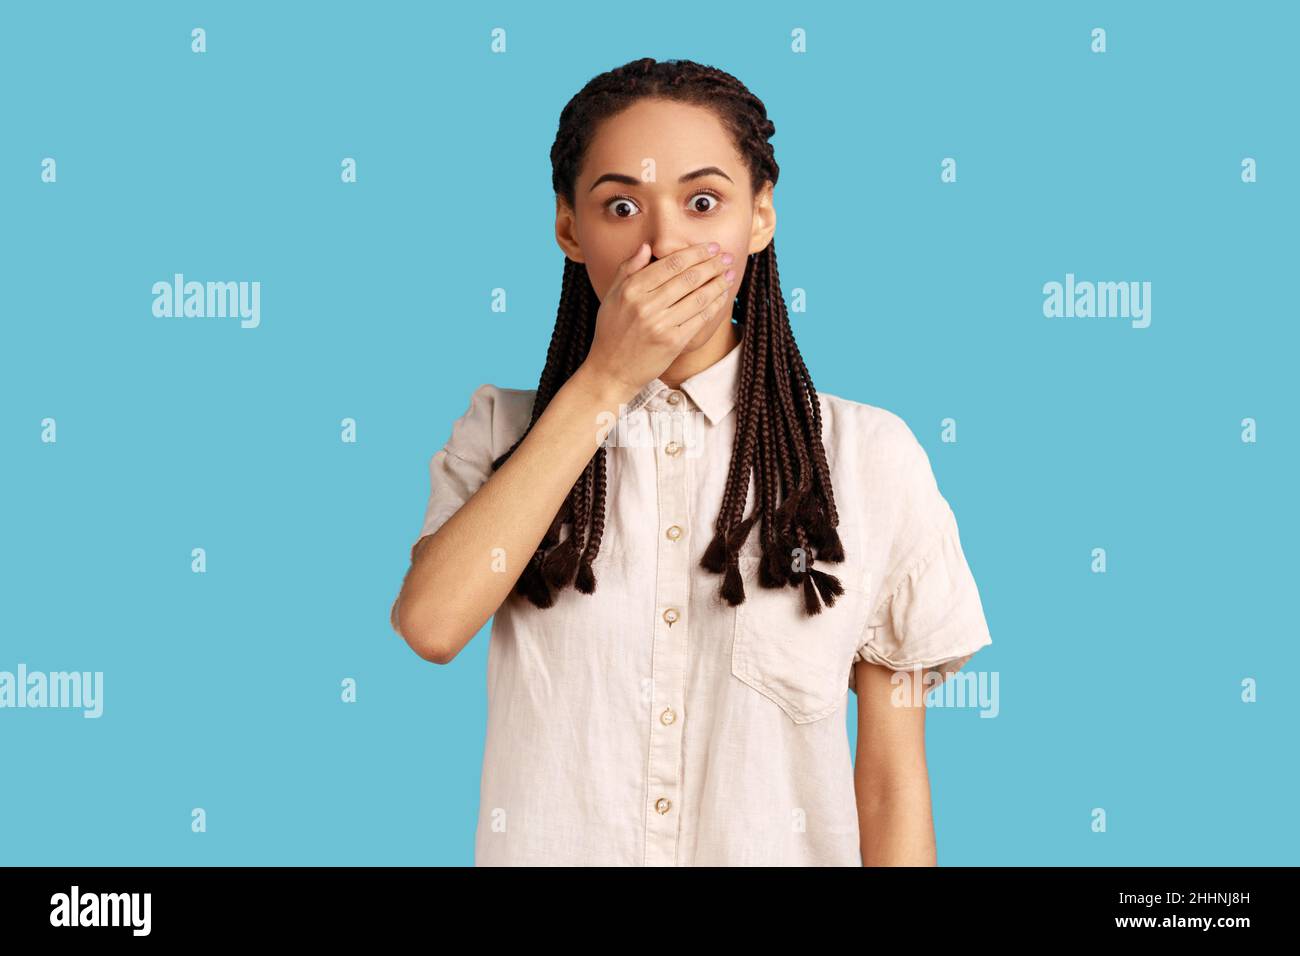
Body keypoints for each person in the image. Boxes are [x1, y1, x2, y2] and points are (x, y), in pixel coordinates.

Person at [391, 57, 992, 866]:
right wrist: (604, 380)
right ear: (569, 227)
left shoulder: (872, 459)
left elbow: (890, 780)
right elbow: (429, 625)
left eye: (702, 202)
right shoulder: (501, 432)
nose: (664, 241)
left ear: (761, 217)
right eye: (621, 206)